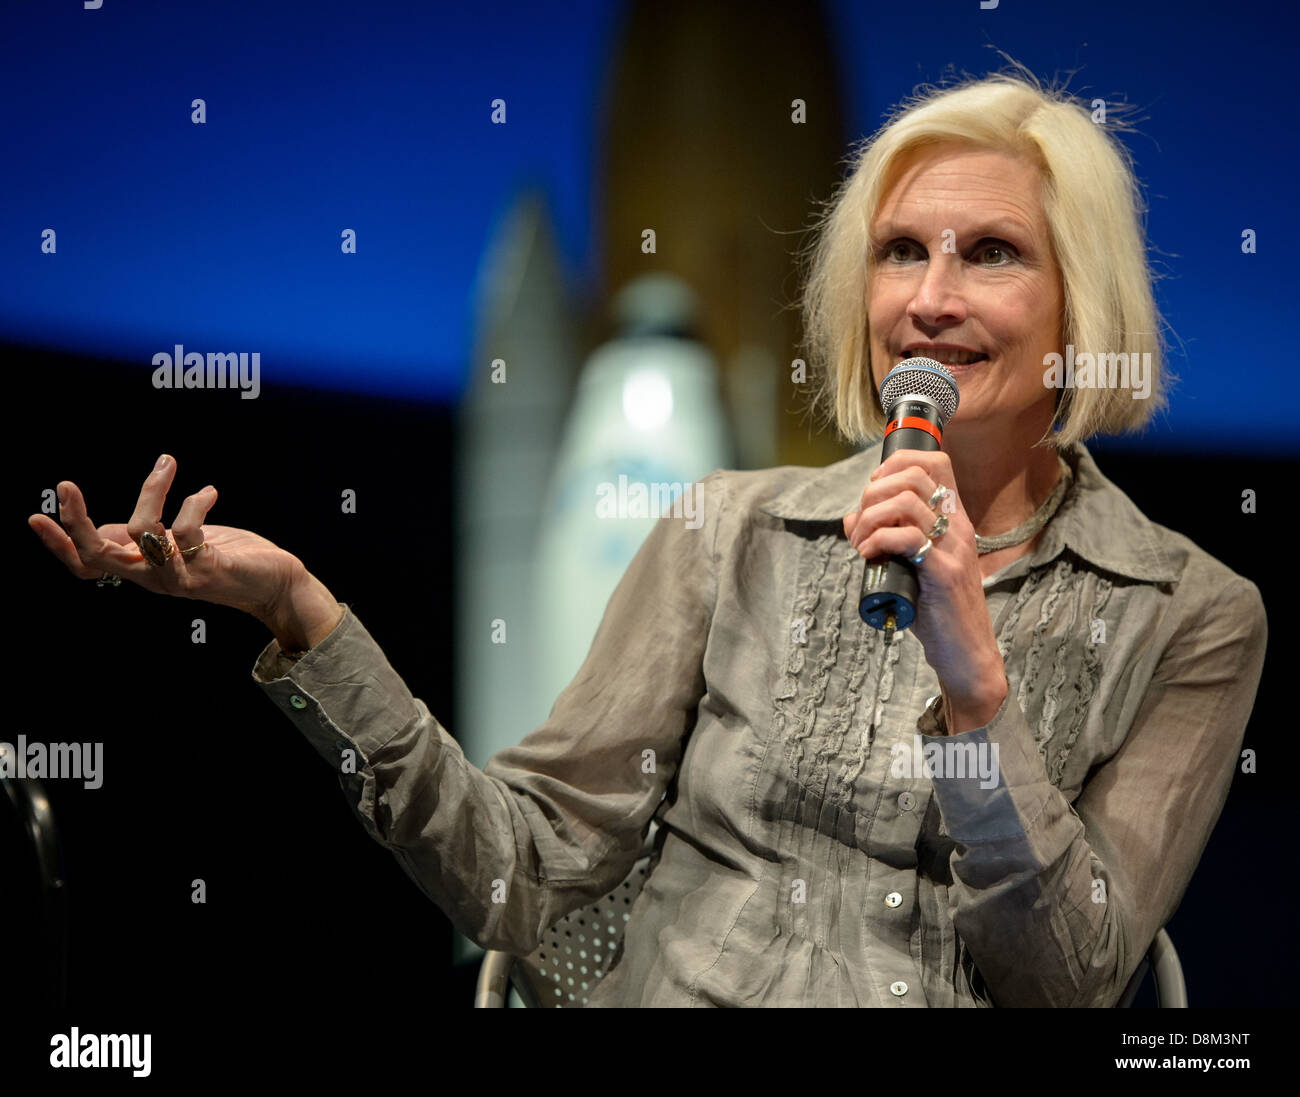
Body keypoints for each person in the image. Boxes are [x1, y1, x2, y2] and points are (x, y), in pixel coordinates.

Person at [29, 68, 1267, 1007]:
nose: (929, 296)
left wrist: (975, 690)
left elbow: (1077, 979)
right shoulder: (729, 531)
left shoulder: (1190, 612)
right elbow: (521, 866)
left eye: (989, 254)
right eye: (900, 251)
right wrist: (298, 606)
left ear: (1079, 310)